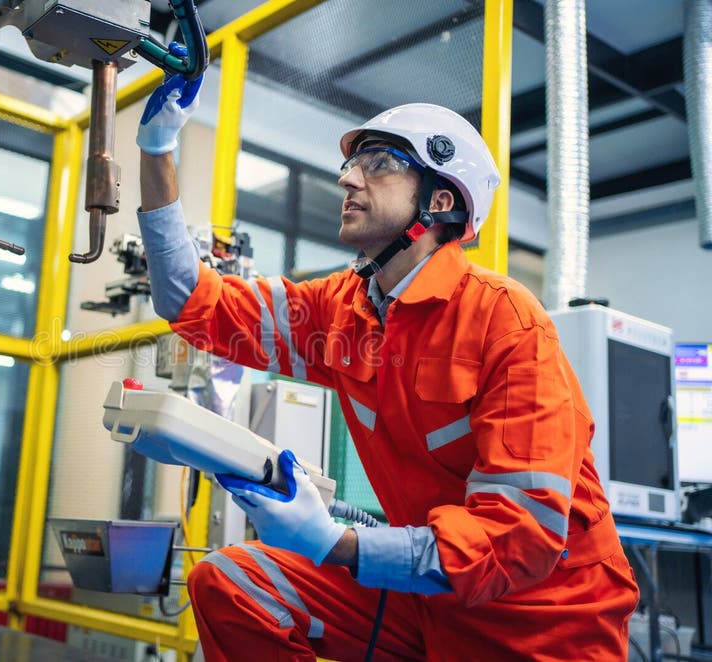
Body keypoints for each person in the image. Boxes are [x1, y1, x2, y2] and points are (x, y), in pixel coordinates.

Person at [135, 71, 639, 661]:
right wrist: (157, 152)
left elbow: (518, 539)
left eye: (378, 164)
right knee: (234, 583)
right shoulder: (343, 310)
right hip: (429, 601)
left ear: (439, 201)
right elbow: (194, 306)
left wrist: (338, 543)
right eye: (353, 165)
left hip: (545, 622)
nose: (347, 177)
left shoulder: (506, 322)